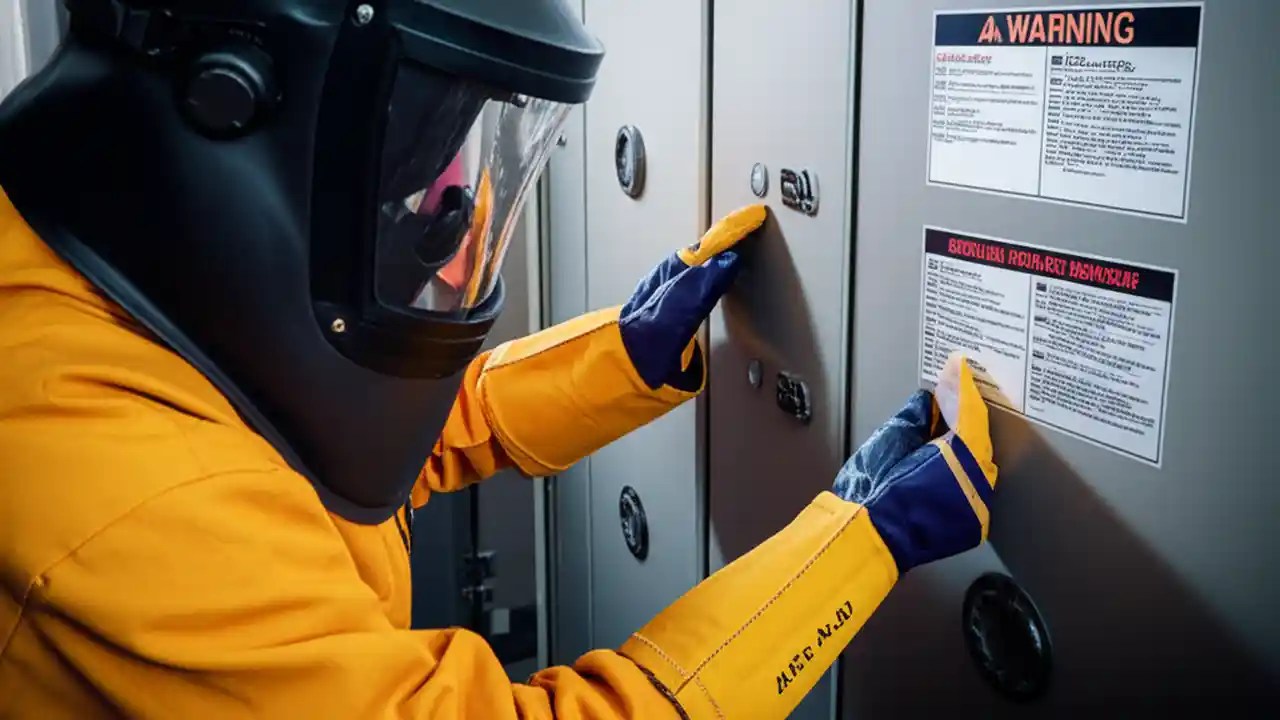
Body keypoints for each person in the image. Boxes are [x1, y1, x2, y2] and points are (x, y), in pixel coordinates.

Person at [0, 1, 999, 718]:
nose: (448, 200)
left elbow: (339, 460)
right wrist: (855, 544)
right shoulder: (121, 496)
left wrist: (622, 355)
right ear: (235, 102)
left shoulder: (112, 299)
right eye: (426, 132)